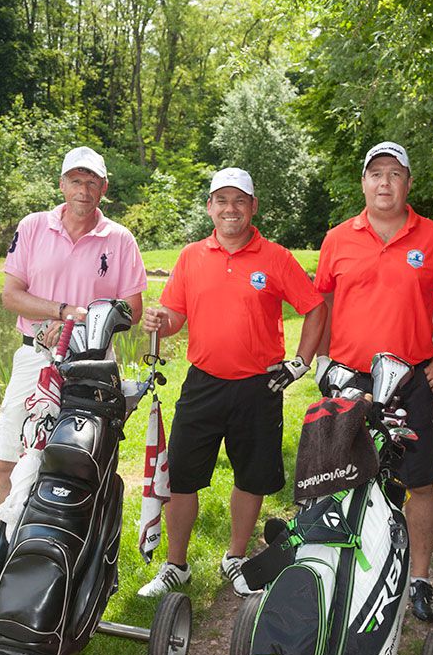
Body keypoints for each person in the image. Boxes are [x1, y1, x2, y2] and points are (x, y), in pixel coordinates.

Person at [0, 146, 146, 598]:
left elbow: (132, 310)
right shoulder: (34, 226)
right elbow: (12, 295)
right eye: (76, 180)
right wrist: (61, 312)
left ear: (104, 189)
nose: (84, 189)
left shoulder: (119, 239)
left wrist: (81, 323)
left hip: (93, 362)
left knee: (86, 460)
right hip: (36, 357)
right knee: (8, 457)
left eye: (93, 182)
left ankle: (84, 563)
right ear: (62, 185)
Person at [313, 141, 433, 624]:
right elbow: (320, 304)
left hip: (409, 380)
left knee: (418, 482)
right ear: (363, 182)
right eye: (375, 174)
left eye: (394, 174)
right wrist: (323, 363)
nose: (384, 183)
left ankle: (418, 579)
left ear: (408, 183)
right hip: (348, 378)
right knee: (337, 479)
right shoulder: (339, 237)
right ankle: (340, 570)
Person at [137, 167, 325, 597]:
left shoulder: (274, 256)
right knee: (181, 476)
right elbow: (174, 319)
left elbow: (315, 307)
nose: (230, 209)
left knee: (252, 477)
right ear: (209, 208)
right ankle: (176, 565)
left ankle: (235, 558)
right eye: (221, 200)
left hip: (259, 386)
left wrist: (300, 362)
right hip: (203, 383)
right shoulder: (191, 256)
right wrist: (159, 321)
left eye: (239, 200)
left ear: (253, 207)